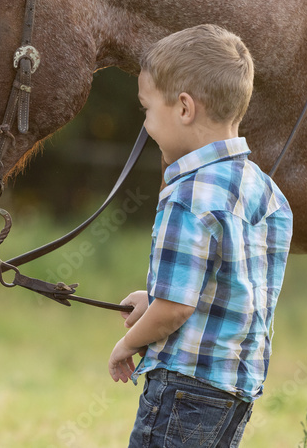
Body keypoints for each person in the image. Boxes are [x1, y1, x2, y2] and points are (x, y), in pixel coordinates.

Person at [108, 24, 294, 447]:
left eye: (147, 109)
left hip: (183, 389)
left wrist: (127, 344)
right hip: (234, 393)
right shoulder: (268, 193)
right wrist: (151, 301)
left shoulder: (188, 196)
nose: (147, 124)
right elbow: (225, 295)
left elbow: (175, 309)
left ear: (185, 108)